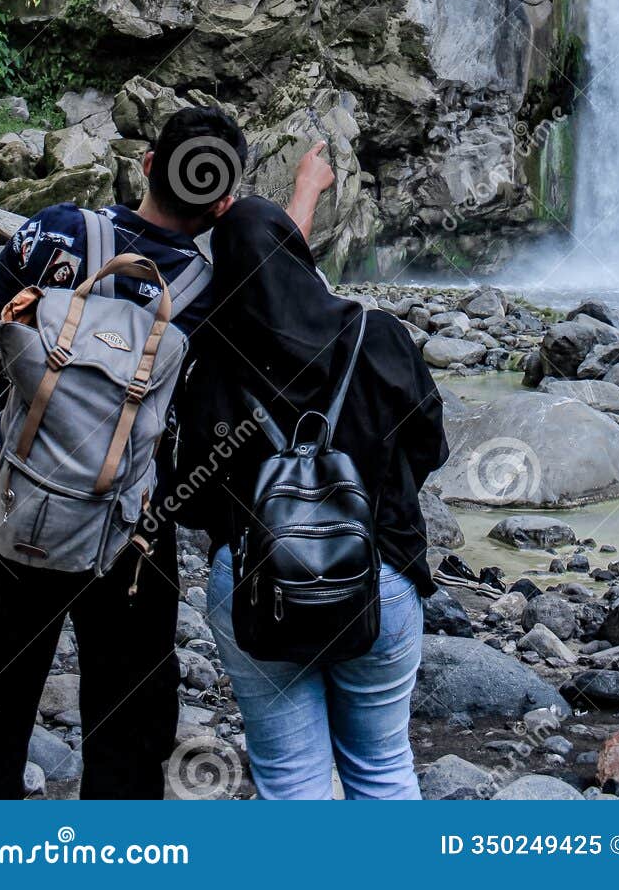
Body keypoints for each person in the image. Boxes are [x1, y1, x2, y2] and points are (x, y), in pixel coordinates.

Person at [0, 106, 334, 800]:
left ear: (148, 164)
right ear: (222, 202)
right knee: (128, 727)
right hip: (137, 521)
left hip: (24, 503)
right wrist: (307, 187)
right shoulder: (217, 278)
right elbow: (283, 261)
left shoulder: (56, 231)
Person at [185, 195, 448, 801]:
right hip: (378, 573)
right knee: (383, 766)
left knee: (288, 778)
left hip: (256, 585)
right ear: (301, 258)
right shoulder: (378, 336)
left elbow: (191, 499)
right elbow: (429, 447)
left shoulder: (212, 361)